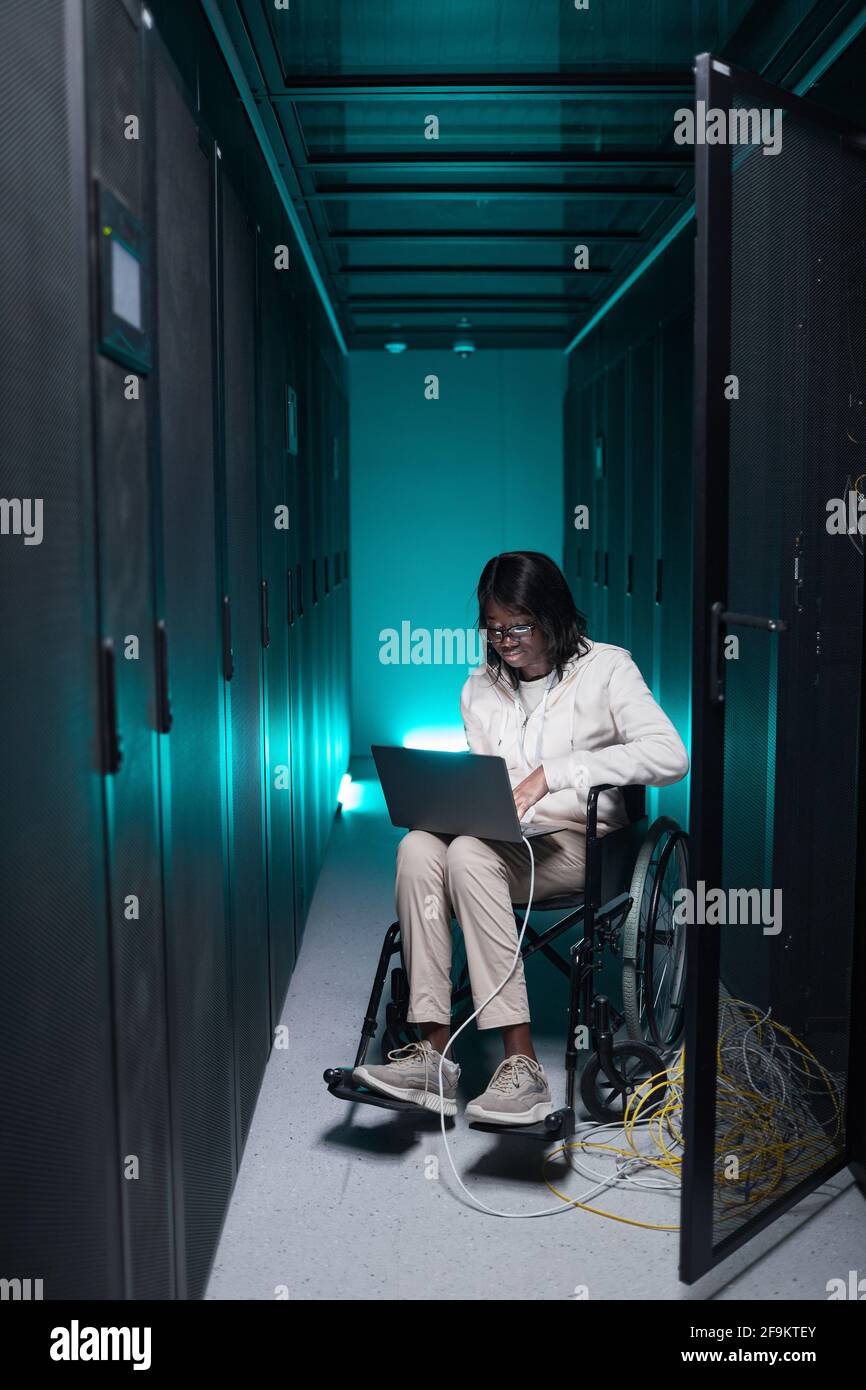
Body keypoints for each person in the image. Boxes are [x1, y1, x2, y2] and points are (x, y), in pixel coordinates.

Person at [353, 551, 689, 1124]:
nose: (504, 641)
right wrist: (449, 800)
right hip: (504, 838)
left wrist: (555, 773)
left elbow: (670, 755)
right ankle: (433, 1052)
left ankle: (522, 1065)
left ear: (554, 617)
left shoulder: (608, 669)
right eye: (493, 628)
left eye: (519, 627)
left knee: (469, 857)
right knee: (418, 847)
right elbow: (488, 779)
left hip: (584, 846)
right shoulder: (479, 688)